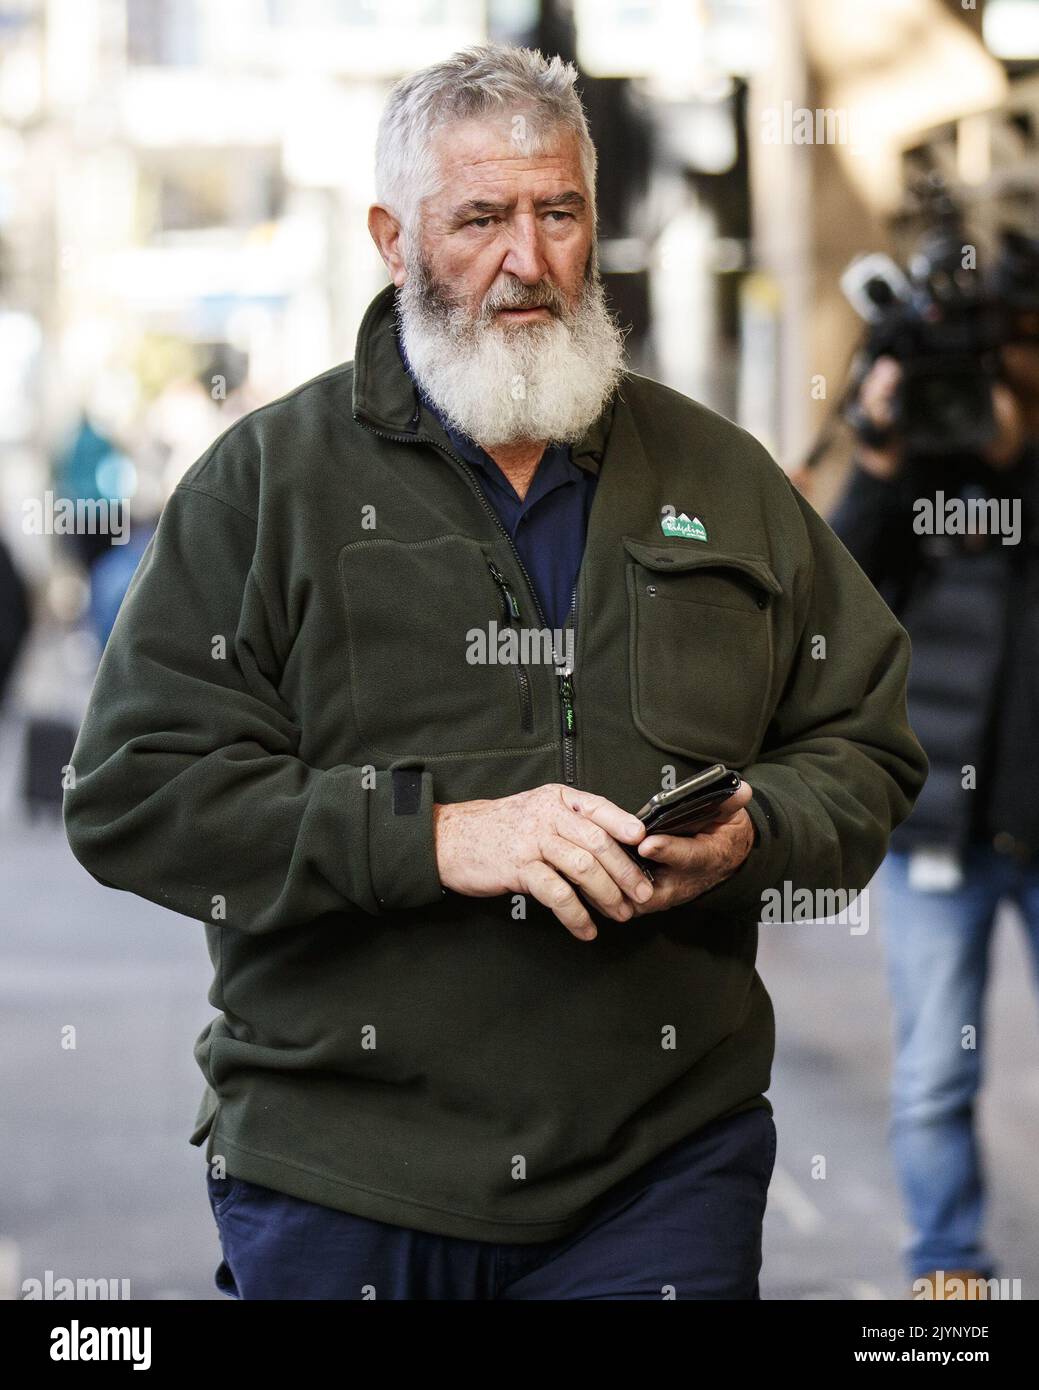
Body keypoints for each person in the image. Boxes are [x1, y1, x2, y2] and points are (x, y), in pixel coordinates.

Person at [63, 42, 926, 1301]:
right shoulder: (267, 485)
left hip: (660, 1170)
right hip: (339, 1178)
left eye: (558, 212)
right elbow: (131, 796)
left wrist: (755, 831)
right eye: (480, 218)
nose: (528, 260)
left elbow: (866, 742)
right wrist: (436, 836)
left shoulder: (720, 477)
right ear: (393, 240)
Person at [828, 235, 1039, 1297]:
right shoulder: (918, 469)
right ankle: (948, 1273)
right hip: (938, 824)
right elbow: (837, 598)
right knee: (933, 1071)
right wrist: (877, 453)